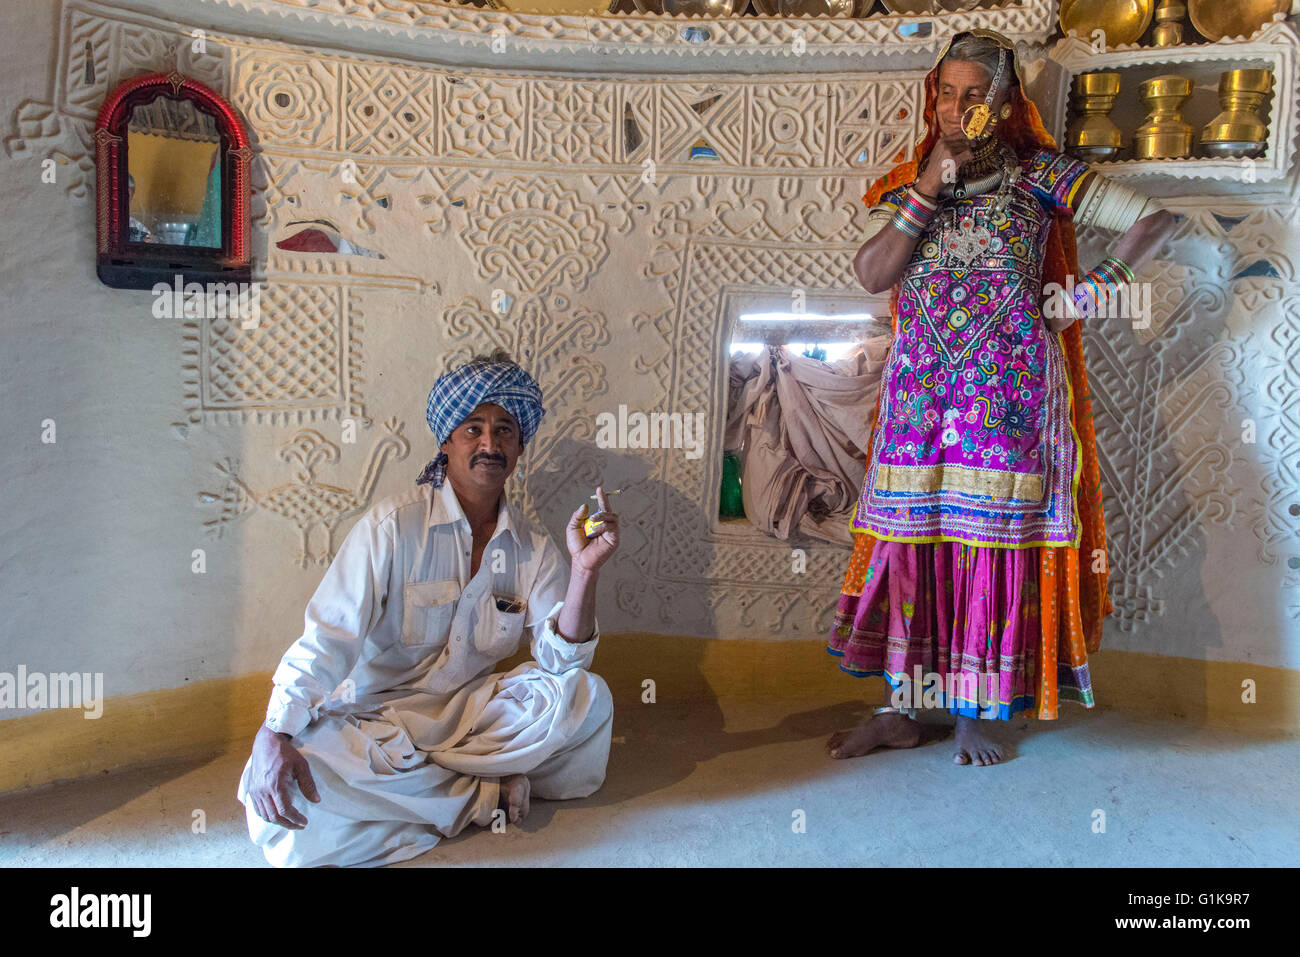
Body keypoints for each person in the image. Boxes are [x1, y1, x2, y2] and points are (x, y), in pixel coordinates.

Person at [825, 30, 1176, 765]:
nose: (957, 109)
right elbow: (871, 271)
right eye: (946, 94)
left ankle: (971, 715)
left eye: (975, 96)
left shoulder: (1042, 176)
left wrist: (1087, 292)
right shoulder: (910, 181)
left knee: (988, 545)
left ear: (1006, 102)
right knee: (907, 543)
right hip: (919, 404)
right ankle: (897, 709)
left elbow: (1154, 220)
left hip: (1004, 402)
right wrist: (927, 187)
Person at [236, 350, 618, 866]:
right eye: (473, 428)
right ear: (446, 440)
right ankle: (483, 794)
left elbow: (563, 661)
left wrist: (585, 570)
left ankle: (425, 796)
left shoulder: (533, 546)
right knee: (281, 818)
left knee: (587, 699)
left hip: (471, 716)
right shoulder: (391, 527)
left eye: (505, 430)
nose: (490, 444)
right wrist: (274, 732)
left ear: (520, 445)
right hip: (373, 722)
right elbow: (329, 636)